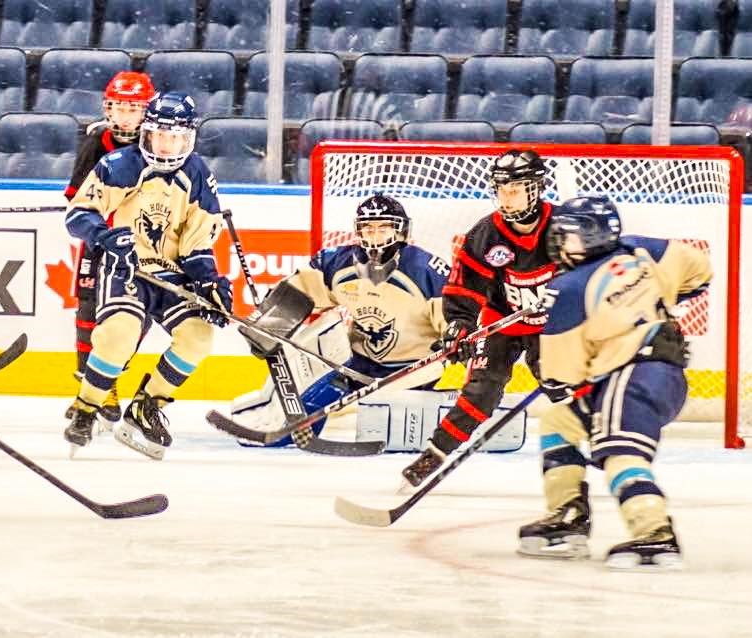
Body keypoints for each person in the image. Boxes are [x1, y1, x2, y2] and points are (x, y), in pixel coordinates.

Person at [517, 196, 710, 570]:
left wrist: (560, 377)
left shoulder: (569, 287)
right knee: (560, 422)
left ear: (591, 237)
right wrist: (657, 297)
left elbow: (562, 375)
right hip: (661, 375)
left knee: (619, 450)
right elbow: (699, 269)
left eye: (567, 236)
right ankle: (568, 514)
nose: (559, 243)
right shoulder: (642, 250)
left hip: (633, 375)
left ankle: (656, 535)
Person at [62, 92, 230, 460]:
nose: (167, 145)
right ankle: (87, 407)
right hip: (127, 269)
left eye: (176, 137)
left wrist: (208, 281)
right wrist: (105, 235)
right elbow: (77, 216)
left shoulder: (198, 173)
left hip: (171, 275)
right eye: (160, 135)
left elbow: (197, 242)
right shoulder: (120, 164)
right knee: (118, 335)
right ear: (146, 133)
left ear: (189, 138)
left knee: (198, 337)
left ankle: (146, 406)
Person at [229, 195, 449, 444]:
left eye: (384, 228)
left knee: (366, 417)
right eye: (368, 228)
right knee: (322, 343)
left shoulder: (427, 271)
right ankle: (276, 411)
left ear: (401, 230)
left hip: (411, 371)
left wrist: (458, 339)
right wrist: (269, 322)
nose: (375, 235)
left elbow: (456, 318)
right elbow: (301, 290)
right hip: (358, 365)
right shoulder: (338, 263)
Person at [401, 149, 558, 488]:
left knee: (562, 383)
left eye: (515, 189)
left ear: (536, 187)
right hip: (502, 319)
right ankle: (436, 452)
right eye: (501, 189)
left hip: (550, 327)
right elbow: (464, 288)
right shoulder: (485, 235)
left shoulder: (563, 228)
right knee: (482, 389)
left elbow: (588, 278)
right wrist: (459, 325)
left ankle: (596, 445)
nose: (506, 197)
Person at [62, 72, 156, 422]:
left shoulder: (158, 145)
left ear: (145, 111)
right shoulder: (94, 144)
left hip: (143, 247)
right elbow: (76, 200)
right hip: (100, 244)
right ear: (108, 108)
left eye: (133, 109)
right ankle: (88, 386)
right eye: (118, 108)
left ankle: (109, 380)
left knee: (134, 315)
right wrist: (96, 223)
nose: (125, 116)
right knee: (88, 313)